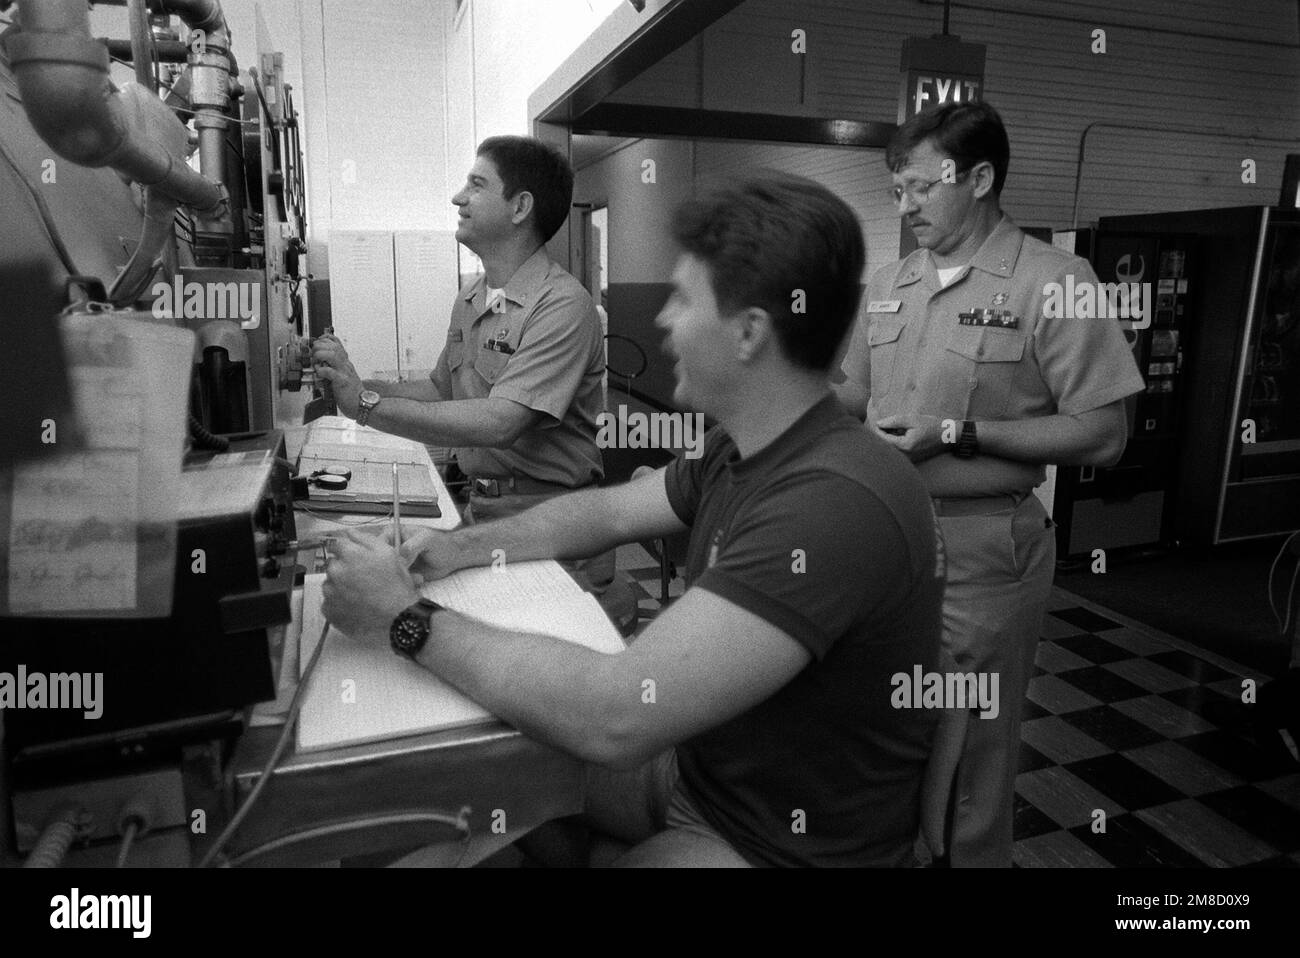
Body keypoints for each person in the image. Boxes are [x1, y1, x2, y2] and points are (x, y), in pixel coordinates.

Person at [322, 171, 944, 867]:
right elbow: (609, 510)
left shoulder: (834, 503)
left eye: (683, 299)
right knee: (460, 793)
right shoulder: (739, 444)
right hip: (700, 774)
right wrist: (456, 549)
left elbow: (615, 716)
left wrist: (405, 619)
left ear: (748, 332)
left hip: (775, 844)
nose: (665, 320)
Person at [834, 101, 1145, 867]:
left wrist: (961, 434)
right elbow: (850, 396)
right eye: (896, 191)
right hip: (884, 540)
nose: (905, 208)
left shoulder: (1055, 282)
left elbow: (1105, 435)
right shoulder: (892, 282)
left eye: (920, 188)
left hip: (982, 554)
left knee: (967, 749)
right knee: (890, 730)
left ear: (979, 177)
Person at [310, 135, 611, 590]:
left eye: (476, 184)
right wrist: (351, 382)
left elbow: (499, 423)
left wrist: (366, 405)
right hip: (484, 512)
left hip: (549, 522)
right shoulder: (472, 298)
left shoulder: (562, 305)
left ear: (519, 207)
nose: (458, 197)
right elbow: (438, 390)